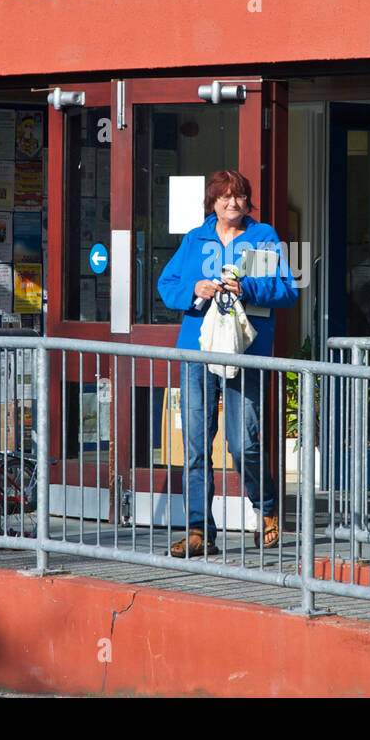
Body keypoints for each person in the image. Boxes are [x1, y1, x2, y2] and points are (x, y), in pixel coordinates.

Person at [157, 170, 298, 557]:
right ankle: (200, 529)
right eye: (224, 197)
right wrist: (194, 289)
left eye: (238, 197)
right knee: (197, 445)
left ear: (247, 201)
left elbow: (287, 290)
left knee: (243, 442)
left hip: (245, 353)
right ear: (213, 202)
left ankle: (266, 508)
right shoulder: (195, 238)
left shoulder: (263, 236)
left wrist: (247, 286)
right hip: (198, 353)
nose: (231, 203)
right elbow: (165, 285)